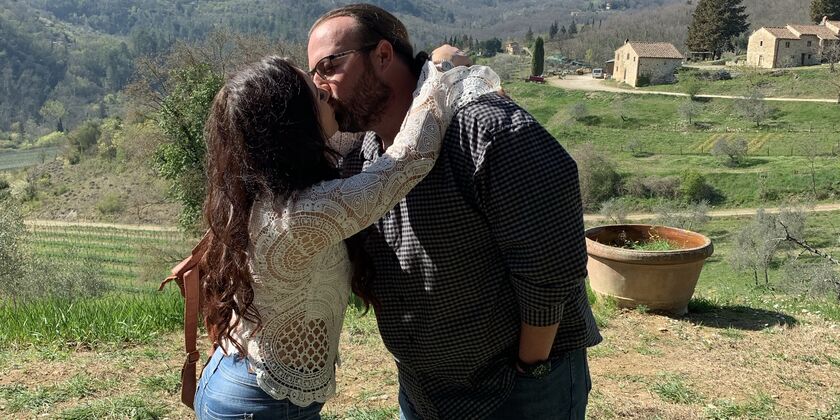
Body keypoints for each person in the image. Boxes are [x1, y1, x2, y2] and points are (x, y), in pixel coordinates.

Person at [308, 4, 602, 419]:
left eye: (328, 67)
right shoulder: (360, 155)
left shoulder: (484, 128)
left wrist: (530, 366)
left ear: (383, 55)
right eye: (313, 77)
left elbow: (550, 265)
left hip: (517, 393)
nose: (320, 88)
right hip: (422, 393)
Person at [191, 55, 500, 419]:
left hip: (240, 380)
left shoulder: (266, 182)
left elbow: (349, 136)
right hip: (262, 403)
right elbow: (407, 161)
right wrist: (437, 71)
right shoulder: (301, 215)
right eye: (318, 97)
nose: (327, 93)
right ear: (295, 126)